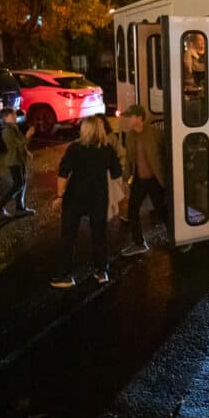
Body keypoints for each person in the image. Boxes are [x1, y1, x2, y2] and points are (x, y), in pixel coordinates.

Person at [50, 115, 121, 288]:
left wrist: (59, 196)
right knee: (99, 235)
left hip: (75, 197)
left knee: (68, 236)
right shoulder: (107, 149)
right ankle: (101, 271)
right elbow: (116, 173)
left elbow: (63, 173)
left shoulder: (74, 148)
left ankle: (66, 275)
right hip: (98, 197)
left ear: (84, 130)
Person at [118, 104, 171, 257]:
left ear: (139, 118)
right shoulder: (129, 136)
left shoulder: (154, 132)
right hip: (139, 180)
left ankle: (177, 237)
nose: (128, 119)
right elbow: (129, 160)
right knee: (132, 211)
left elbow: (167, 150)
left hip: (155, 180)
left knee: (162, 211)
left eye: (130, 116)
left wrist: (168, 174)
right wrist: (125, 178)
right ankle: (139, 244)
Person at [0, 109, 35, 216]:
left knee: (22, 183)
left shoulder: (14, 127)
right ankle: (0, 206)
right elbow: (18, 145)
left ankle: (20, 207)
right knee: (18, 184)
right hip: (13, 161)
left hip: (19, 159)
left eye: (15, 115)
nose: (15, 116)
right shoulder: (7, 131)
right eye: (12, 115)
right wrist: (28, 136)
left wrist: (27, 152)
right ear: (5, 118)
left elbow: (21, 143)